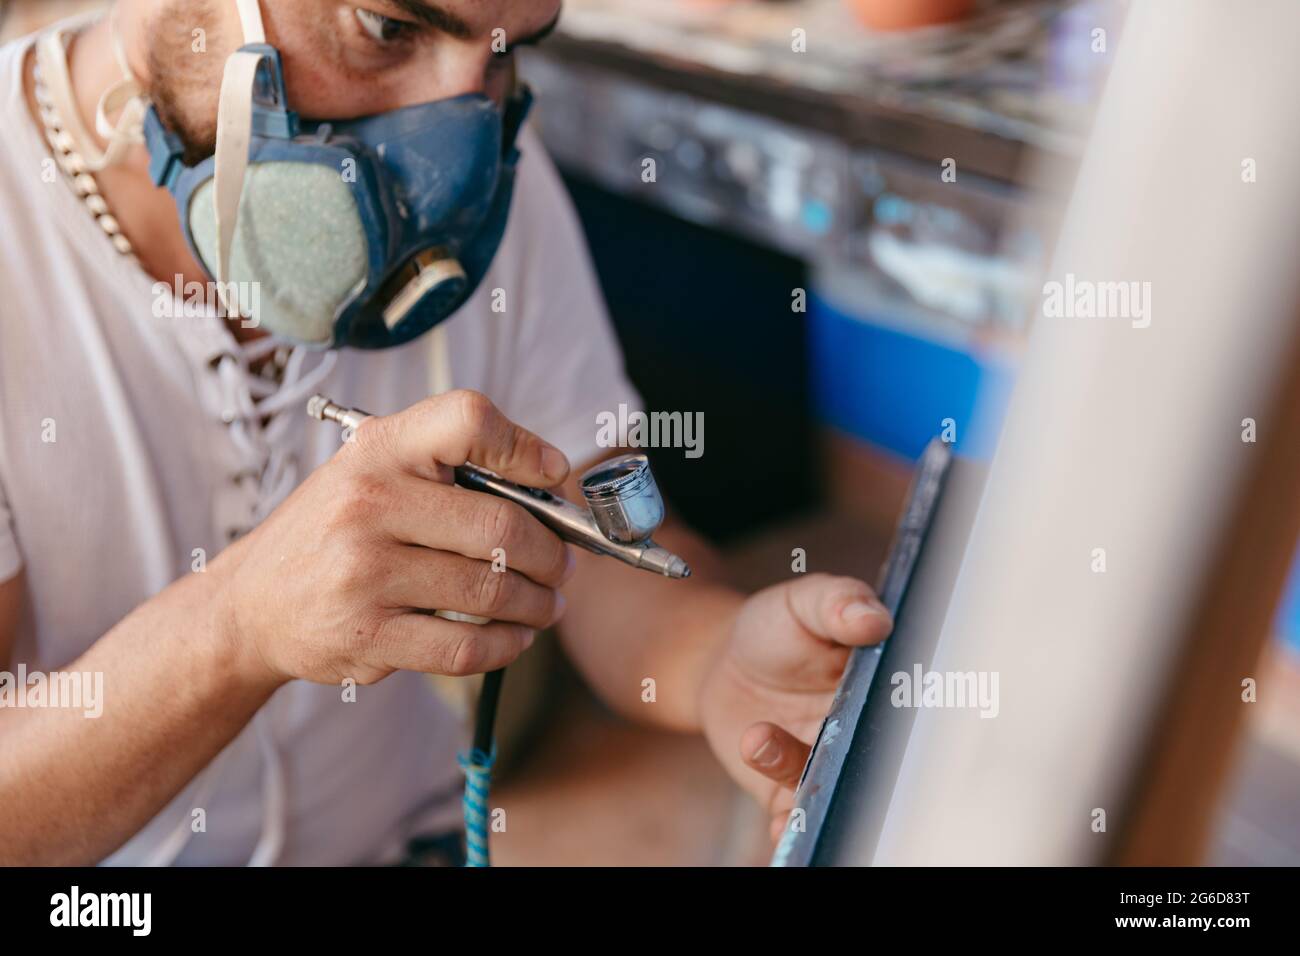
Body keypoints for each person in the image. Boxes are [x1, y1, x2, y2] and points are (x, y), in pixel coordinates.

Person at [0, 0, 892, 865]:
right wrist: (239, 624)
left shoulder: (491, 175)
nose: (455, 155)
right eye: (389, 27)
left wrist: (716, 658)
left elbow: (596, 521)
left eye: (506, 53)